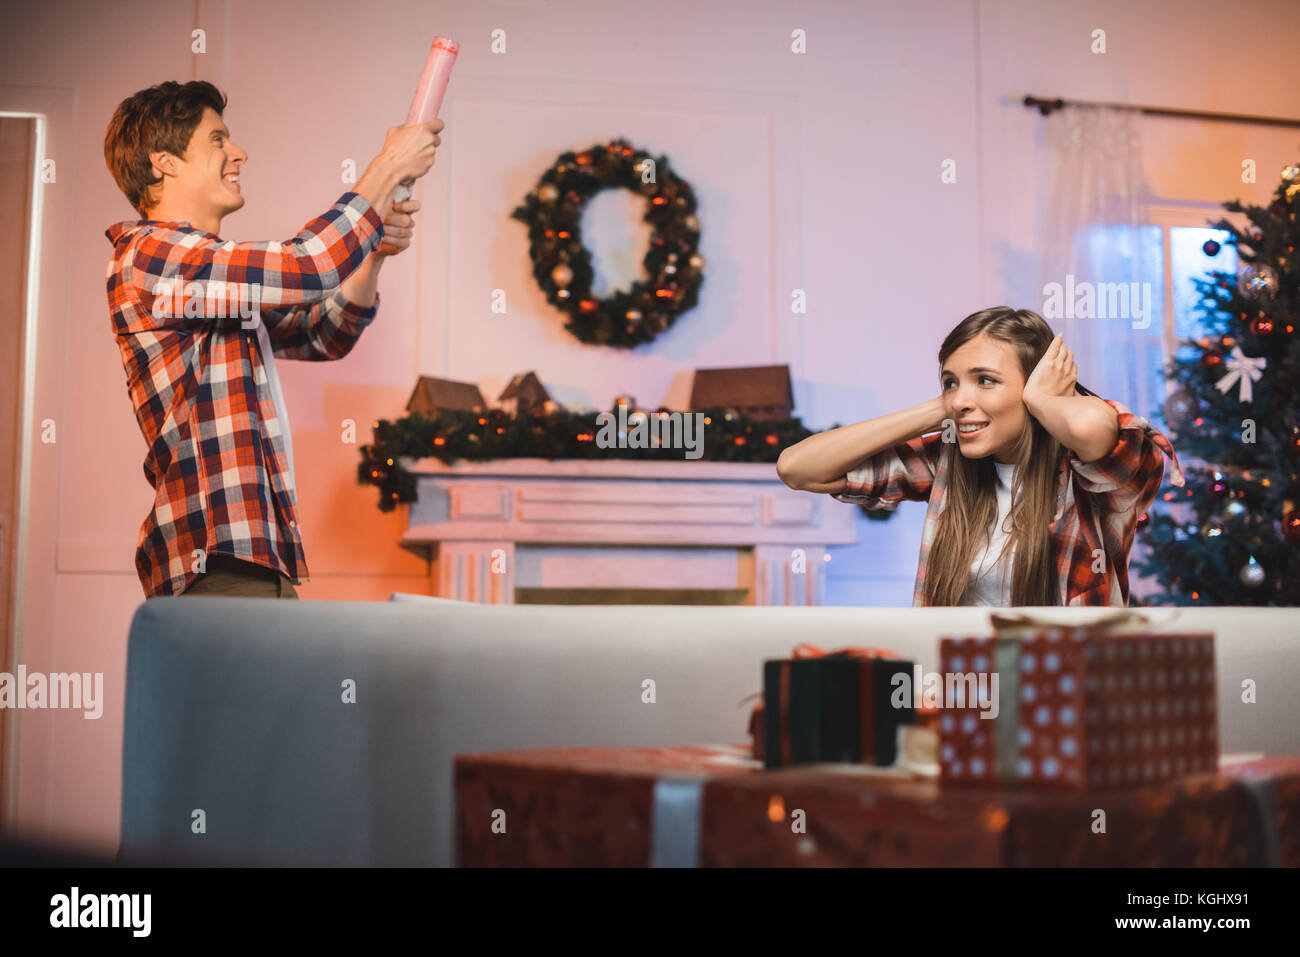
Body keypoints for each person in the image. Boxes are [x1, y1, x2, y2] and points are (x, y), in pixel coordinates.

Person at [104, 80, 442, 598]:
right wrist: (388, 166)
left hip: (254, 554)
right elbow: (309, 265)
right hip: (216, 558)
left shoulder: (210, 284)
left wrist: (372, 256)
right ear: (164, 162)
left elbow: (325, 334)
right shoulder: (151, 254)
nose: (238, 152)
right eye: (217, 139)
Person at [776, 307, 1186, 606]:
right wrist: (941, 408)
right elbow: (798, 468)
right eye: (950, 381)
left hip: (1063, 690)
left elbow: (1089, 428)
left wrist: (1040, 398)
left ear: (1037, 387)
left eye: (986, 380)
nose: (961, 399)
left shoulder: (1089, 478)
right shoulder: (947, 460)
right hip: (962, 688)